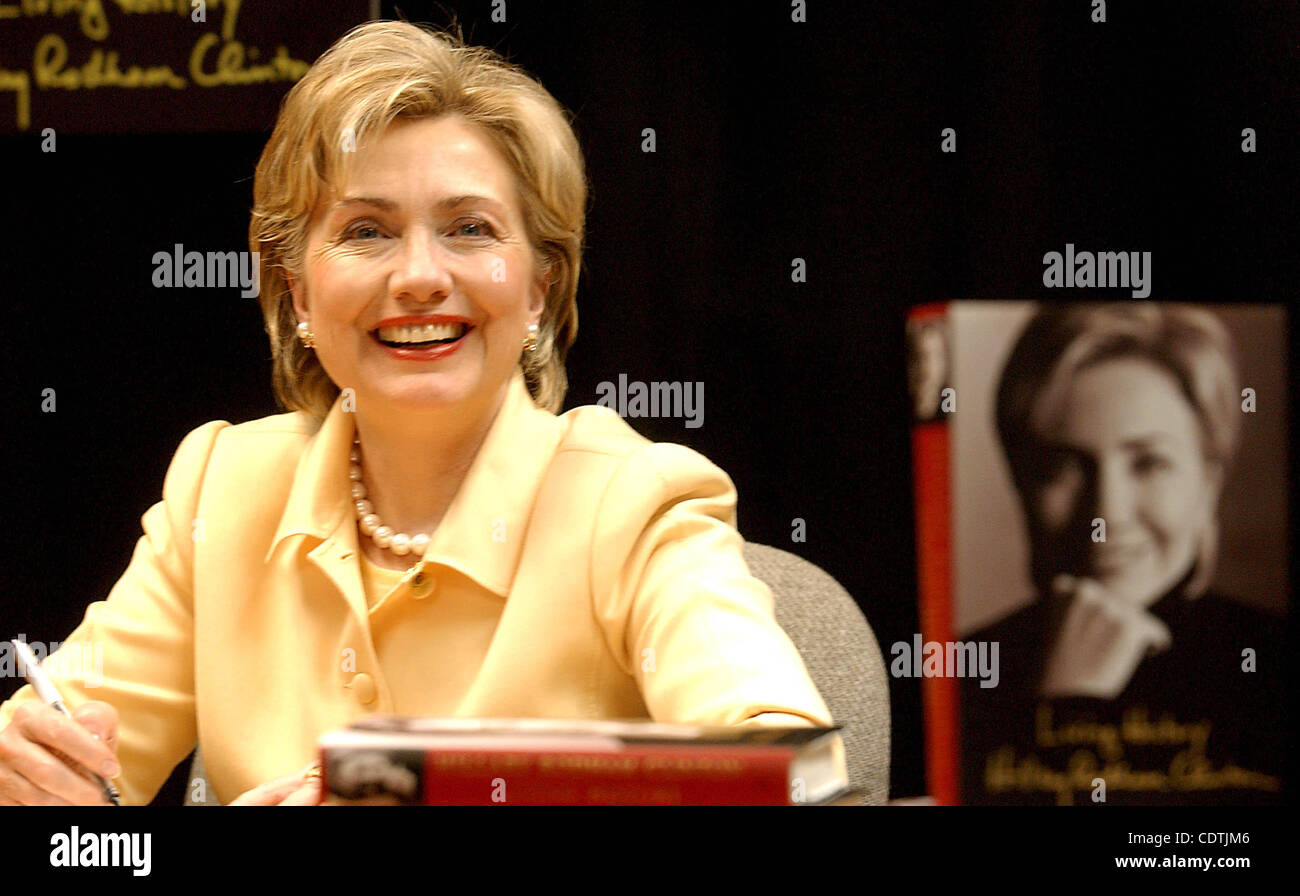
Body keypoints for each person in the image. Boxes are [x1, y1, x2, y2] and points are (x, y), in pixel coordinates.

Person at [0, 21, 840, 806]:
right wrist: (30, 776)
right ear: (297, 291)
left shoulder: (634, 505)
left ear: (540, 287)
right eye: (366, 232)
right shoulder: (223, 492)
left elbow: (795, 774)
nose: (418, 278)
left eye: (469, 228)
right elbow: (63, 755)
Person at [960, 303, 1286, 805]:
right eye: (1064, 466)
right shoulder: (958, 678)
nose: (1106, 513)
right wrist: (1066, 701)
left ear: (1209, 482)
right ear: (1019, 482)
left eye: (1150, 463)